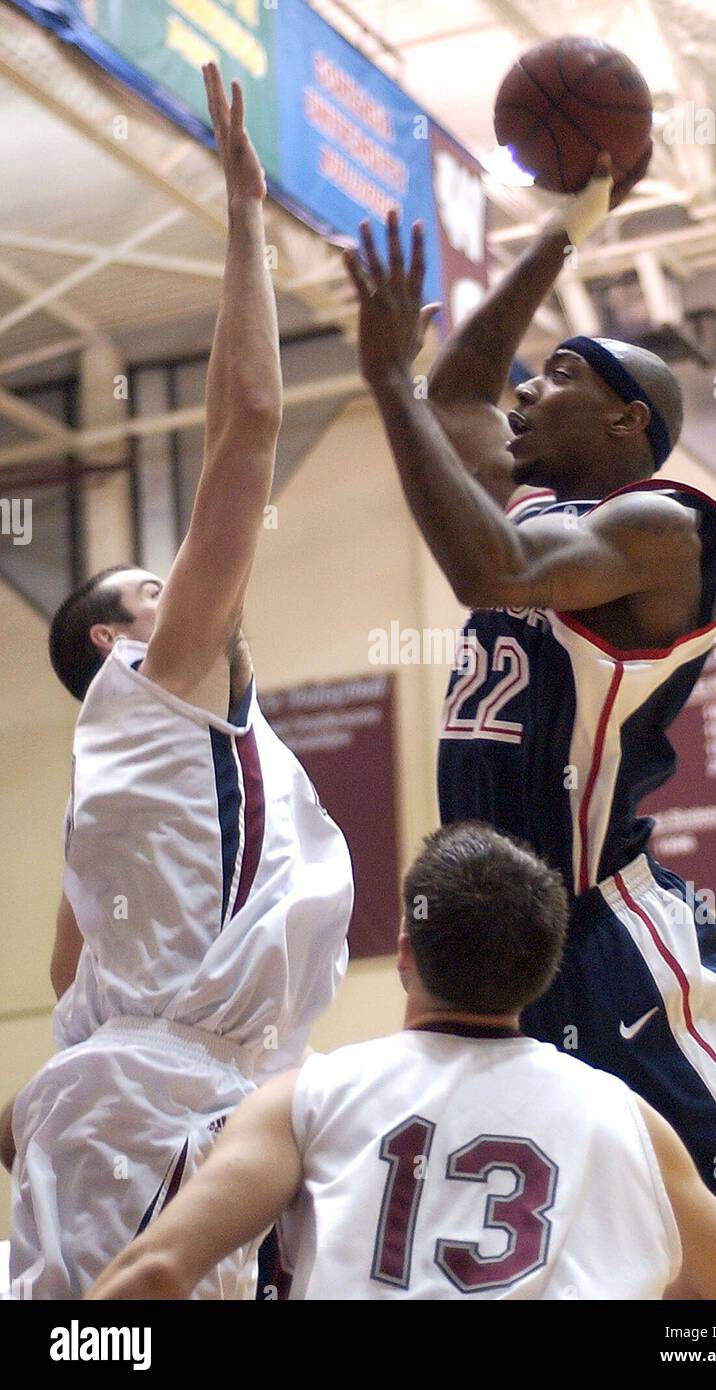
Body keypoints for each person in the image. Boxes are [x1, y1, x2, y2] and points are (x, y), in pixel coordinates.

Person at [339, 172, 716, 1300]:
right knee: (565, 1223)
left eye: (559, 377)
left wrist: (381, 377)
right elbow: (462, 385)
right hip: (493, 935)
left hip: (603, 925)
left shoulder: (666, 530)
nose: (524, 390)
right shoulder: (529, 510)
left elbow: (488, 569)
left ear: (629, 422)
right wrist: (564, 227)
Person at [1, 65, 352, 1300]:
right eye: (154, 587)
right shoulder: (162, 686)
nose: (188, 589)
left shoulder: (156, 754)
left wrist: (66, 1086)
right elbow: (247, 422)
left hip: (177, 1104)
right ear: (116, 644)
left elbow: (64, 970)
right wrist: (247, 215)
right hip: (159, 1114)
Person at [86, 823, 716, 1302]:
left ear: (404, 955)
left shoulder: (304, 1099)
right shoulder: (630, 1122)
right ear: (542, 973)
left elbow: (151, 1274)